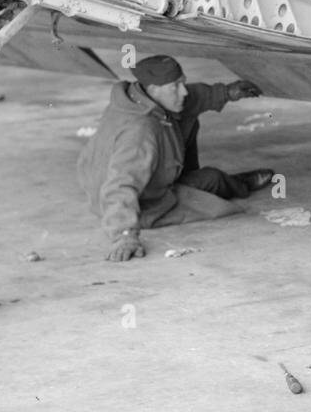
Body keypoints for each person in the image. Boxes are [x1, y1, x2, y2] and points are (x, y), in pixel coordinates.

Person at [78, 54, 273, 261]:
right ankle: (239, 185)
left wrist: (225, 93)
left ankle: (234, 183)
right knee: (211, 187)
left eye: (183, 83)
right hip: (142, 204)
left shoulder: (139, 99)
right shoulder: (140, 131)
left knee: (207, 167)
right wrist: (124, 234)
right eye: (176, 87)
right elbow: (120, 185)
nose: (184, 91)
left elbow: (192, 97)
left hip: (137, 185)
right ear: (153, 90)